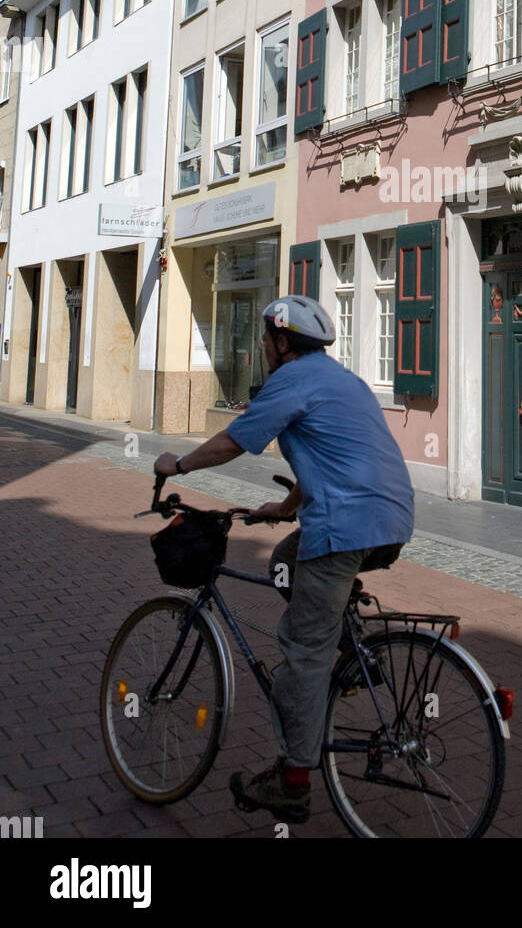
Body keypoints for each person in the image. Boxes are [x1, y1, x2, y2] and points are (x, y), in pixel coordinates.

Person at [153, 293, 414, 824]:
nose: (263, 348)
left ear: (280, 342)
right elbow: (335, 456)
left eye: (266, 340)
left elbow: (234, 441)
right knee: (285, 559)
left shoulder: (289, 380)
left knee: (302, 649)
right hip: (391, 522)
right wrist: (287, 506)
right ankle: (352, 650)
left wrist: (176, 465)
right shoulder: (346, 381)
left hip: (344, 527)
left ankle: (292, 781)